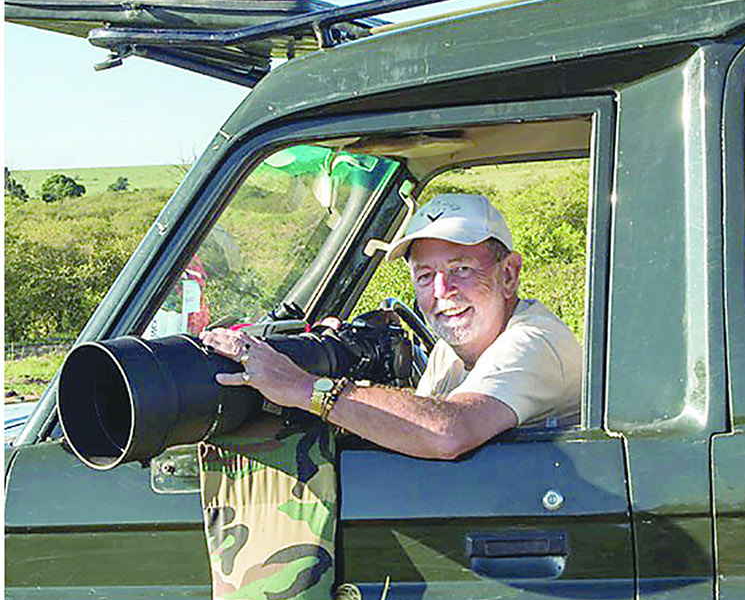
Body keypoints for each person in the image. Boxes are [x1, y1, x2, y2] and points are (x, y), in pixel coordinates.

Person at [201, 194, 582, 459]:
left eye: (462, 269)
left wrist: (301, 386)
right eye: (425, 276)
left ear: (509, 274)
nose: (442, 291)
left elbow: (448, 432)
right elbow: (416, 431)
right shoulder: (452, 350)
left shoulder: (533, 341)